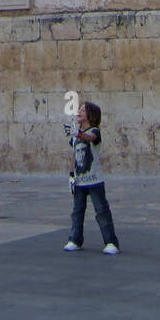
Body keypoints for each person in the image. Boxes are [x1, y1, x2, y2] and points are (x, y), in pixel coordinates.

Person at [64, 99, 120, 254]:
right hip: (80, 180)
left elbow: (91, 138)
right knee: (77, 212)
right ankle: (75, 239)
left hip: (94, 180)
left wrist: (79, 134)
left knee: (101, 211)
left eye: (83, 110)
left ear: (91, 115)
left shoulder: (94, 131)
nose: (79, 112)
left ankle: (110, 242)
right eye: (79, 110)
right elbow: (73, 155)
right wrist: (71, 175)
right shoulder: (76, 134)